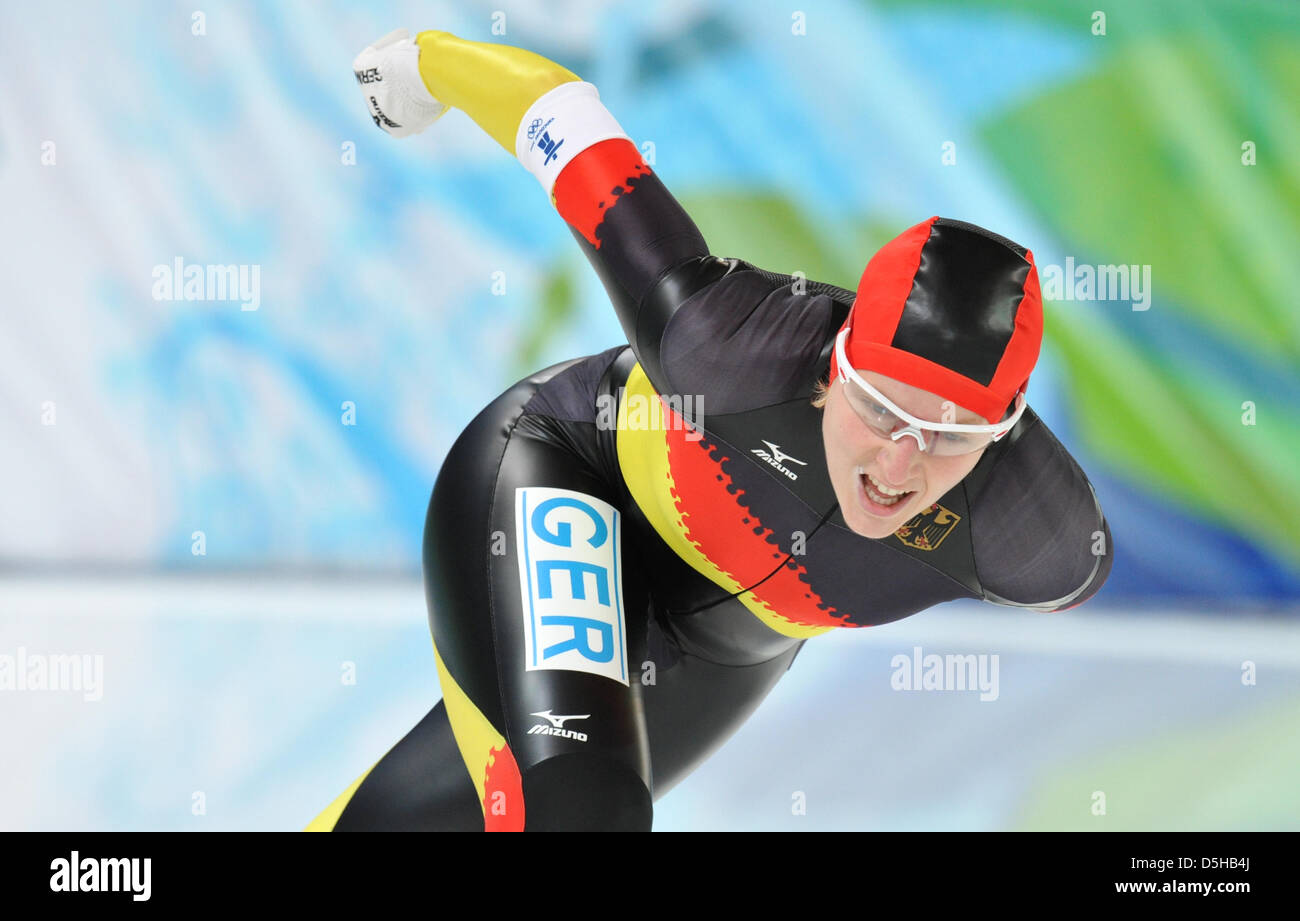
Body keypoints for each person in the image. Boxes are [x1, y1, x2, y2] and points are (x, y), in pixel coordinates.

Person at [306, 27, 1113, 832]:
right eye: (880, 407)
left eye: (949, 435)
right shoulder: (723, 345)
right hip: (571, 475)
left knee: (432, 813)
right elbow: (559, 122)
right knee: (582, 810)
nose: (899, 461)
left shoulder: (1037, 539)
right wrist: (426, 65)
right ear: (834, 370)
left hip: (725, 650)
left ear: (1000, 434)